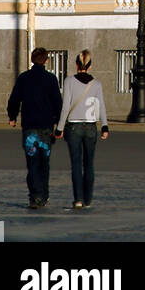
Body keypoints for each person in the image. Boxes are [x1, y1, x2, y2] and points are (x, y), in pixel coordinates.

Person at [7, 46, 62, 210]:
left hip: (29, 126)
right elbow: (57, 103)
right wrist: (59, 124)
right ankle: (43, 196)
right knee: (44, 163)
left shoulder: (24, 78)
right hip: (46, 126)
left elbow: (14, 99)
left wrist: (12, 116)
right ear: (46, 61)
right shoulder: (51, 79)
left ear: (32, 60)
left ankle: (34, 197)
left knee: (32, 164)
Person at [55, 50, 109, 210]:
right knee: (89, 164)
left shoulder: (69, 81)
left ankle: (78, 199)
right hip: (91, 126)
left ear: (76, 64)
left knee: (76, 164)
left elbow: (65, 106)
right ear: (90, 66)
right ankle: (88, 199)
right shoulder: (97, 84)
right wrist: (105, 126)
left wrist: (59, 128)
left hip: (73, 126)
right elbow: (101, 106)